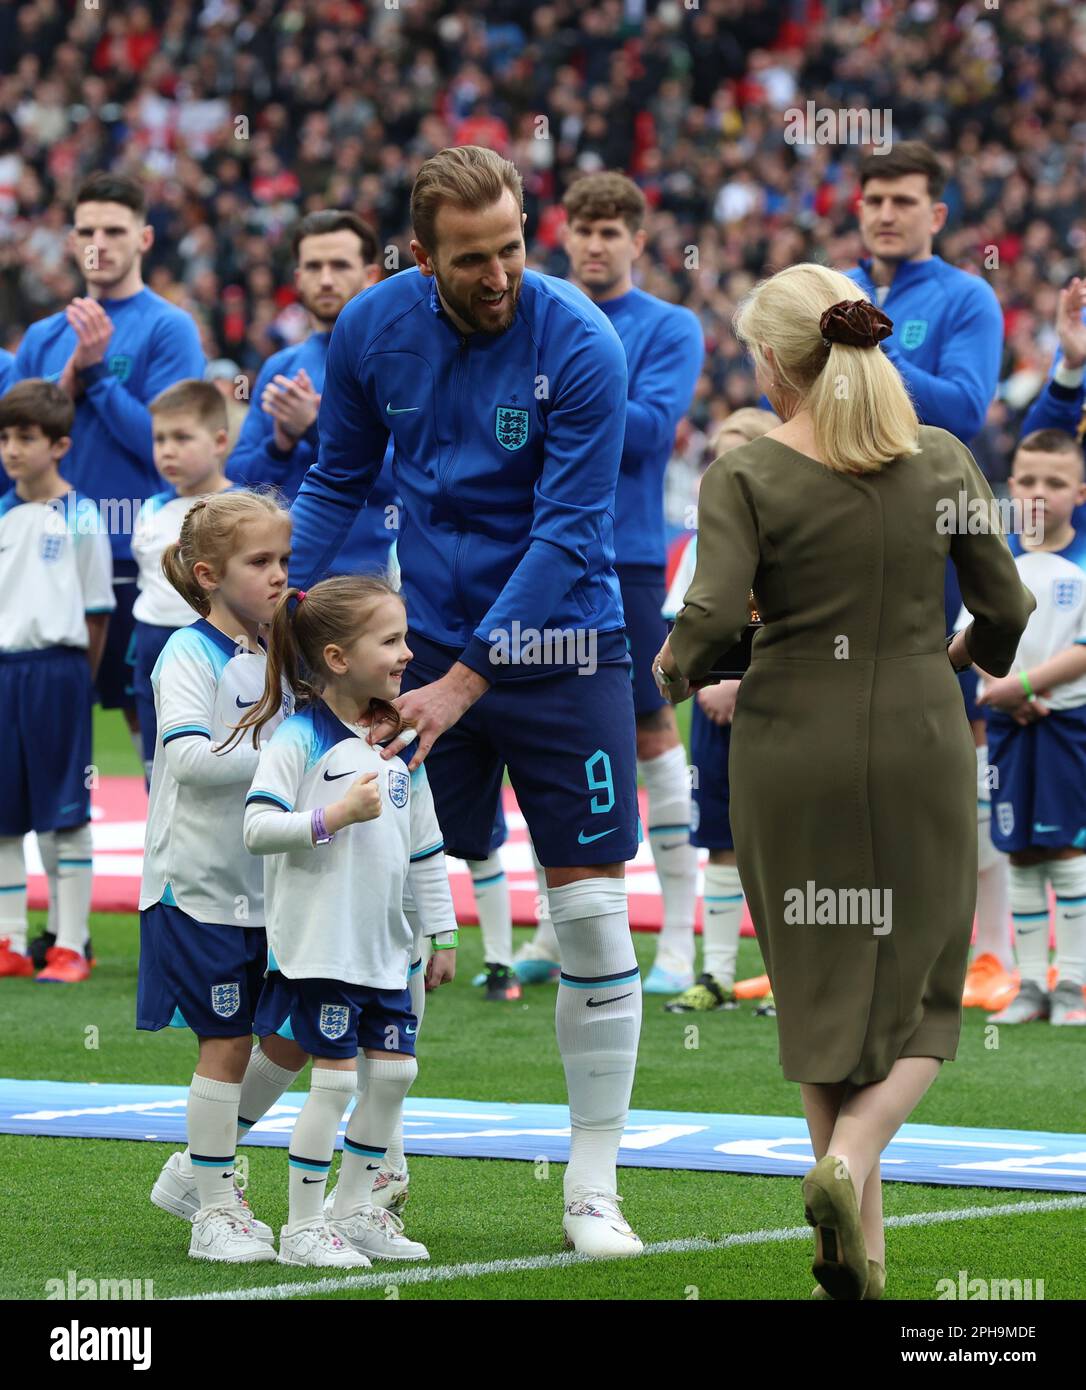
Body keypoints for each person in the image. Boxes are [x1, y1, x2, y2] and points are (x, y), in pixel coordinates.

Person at [289, 146, 644, 1260]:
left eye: (512, 248)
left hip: (566, 651)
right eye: (471, 259)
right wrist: (286, 622)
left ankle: (592, 1188)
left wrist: (463, 678)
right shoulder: (372, 329)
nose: (500, 275)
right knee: (388, 913)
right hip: (420, 650)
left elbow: (570, 529)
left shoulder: (582, 340)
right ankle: (372, 1182)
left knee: (586, 912)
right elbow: (338, 476)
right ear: (421, 256)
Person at [654, 264, 1034, 1300]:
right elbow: (1005, 611)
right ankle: (856, 1197)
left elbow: (715, 614)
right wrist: (950, 663)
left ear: (776, 364)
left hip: (787, 740)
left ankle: (850, 1212)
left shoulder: (746, 474)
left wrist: (672, 670)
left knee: (821, 986)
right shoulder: (946, 457)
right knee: (922, 991)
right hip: (918, 729)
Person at [513, 171, 705, 995]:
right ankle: (561, 932)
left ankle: (678, 947)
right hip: (532, 551)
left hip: (621, 555)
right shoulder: (533, 314)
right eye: (583, 229)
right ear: (566, 235)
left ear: (637, 238)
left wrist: (562, 393)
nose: (595, 243)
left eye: (611, 230)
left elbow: (645, 435)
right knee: (539, 733)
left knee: (653, 734)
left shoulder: (669, 326)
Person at [238, 575, 457, 1265]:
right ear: (338, 658)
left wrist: (442, 931)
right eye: (390, 640)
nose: (406, 654)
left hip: (386, 950)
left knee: (393, 1077)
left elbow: (425, 845)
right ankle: (304, 1226)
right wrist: (331, 819)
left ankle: (355, 1208)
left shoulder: (400, 744)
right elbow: (256, 827)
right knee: (331, 1081)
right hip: (321, 948)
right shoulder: (299, 738)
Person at [844, 141, 1011, 1014]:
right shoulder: (835, 288)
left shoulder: (966, 296)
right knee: (853, 738)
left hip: (933, 535)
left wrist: (867, 357)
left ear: (937, 215)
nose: (885, 212)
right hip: (840, 538)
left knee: (954, 737)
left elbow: (964, 408)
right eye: (873, 198)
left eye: (904, 200)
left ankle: (987, 949)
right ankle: (869, 940)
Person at [138, 490, 306, 1264]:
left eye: (283, 559)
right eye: (259, 562)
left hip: (268, 885)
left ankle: (191, 1172)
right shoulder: (186, 653)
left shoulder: (283, 653)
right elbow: (186, 760)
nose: (279, 576)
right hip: (198, 886)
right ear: (209, 574)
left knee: (295, 1035)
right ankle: (214, 1206)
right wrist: (290, 766)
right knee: (227, 1043)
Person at [10, 172, 206, 756]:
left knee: (144, 724)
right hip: (47, 551)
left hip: (132, 553)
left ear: (144, 239)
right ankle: (62, 841)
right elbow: (17, 445)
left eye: (115, 230)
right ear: (71, 242)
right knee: (44, 720)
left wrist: (95, 374)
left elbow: (164, 444)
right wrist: (71, 374)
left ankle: (159, 845)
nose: (100, 242)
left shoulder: (170, 327)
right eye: (87, 230)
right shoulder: (44, 337)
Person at [957, 429, 1086, 1027]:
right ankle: (1031, 984)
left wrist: (1029, 687)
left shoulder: (1080, 563)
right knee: (1020, 850)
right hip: (1009, 725)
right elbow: (975, 635)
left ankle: (1075, 985)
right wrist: (999, 687)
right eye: (1028, 481)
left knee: (1066, 846)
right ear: (1011, 487)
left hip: (1067, 724)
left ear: (1079, 492)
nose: (1039, 493)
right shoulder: (998, 559)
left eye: (1055, 483)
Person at [661, 407, 778, 1015]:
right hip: (712, 717)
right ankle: (719, 976)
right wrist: (704, 679)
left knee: (787, 842)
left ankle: (793, 978)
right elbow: (682, 625)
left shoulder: (791, 538)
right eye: (718, 459)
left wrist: (743, 681)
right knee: (722, 841)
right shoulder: (702, 542)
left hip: (779, 713)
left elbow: (800, 628)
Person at [0, 380, 113, 983]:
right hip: (5, 671)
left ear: (59, 444)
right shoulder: (2, 513)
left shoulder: (82, 517)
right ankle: (10, 939)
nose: (11, 449)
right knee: (4, 815)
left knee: (65, 811)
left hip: (60, 672)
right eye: (4, 437)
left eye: (25, 438)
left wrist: (78, 684)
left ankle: (71, 943)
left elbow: (96, 612)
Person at [226, 210, 399, 581]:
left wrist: (313, 428)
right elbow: (239, 480)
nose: (325, 279)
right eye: (313, 267)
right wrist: (281, 443)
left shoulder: (398, 364)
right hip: (287, 582)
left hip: (373, 587)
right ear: (298, 279)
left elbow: (410, 478)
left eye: (339, 265)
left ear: (371, 275)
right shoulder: (279, 367)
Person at [129, 380, 233, 783]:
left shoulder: (242, 510)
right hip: (153, 643)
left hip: (220, 649)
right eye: (159, 439)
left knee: (213, 760)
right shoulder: (150, 510)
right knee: (159, 767)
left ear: (219, 440)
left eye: (182, 437)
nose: (167, 449)